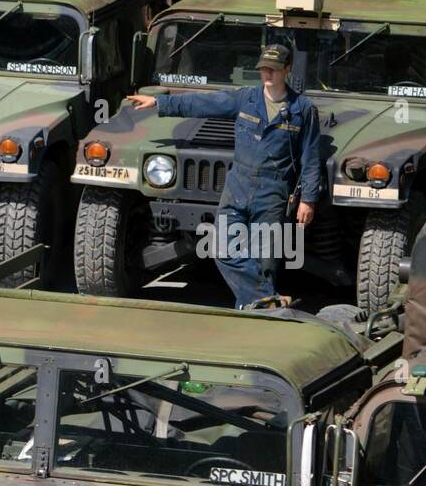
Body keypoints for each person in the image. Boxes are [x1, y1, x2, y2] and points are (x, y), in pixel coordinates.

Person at [127, 43, 321, 309]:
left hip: (273, 191)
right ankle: (267, 301)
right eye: (264, 68)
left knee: (264, 259)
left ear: (286, 70)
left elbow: (310, 158)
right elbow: (204, 103)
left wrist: (308, 199)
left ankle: (259, 311)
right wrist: (160, 102)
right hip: (238, 186)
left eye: (273, 69)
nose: (267, 74)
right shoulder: (246, 99)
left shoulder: (303, 109)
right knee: (220, 249)